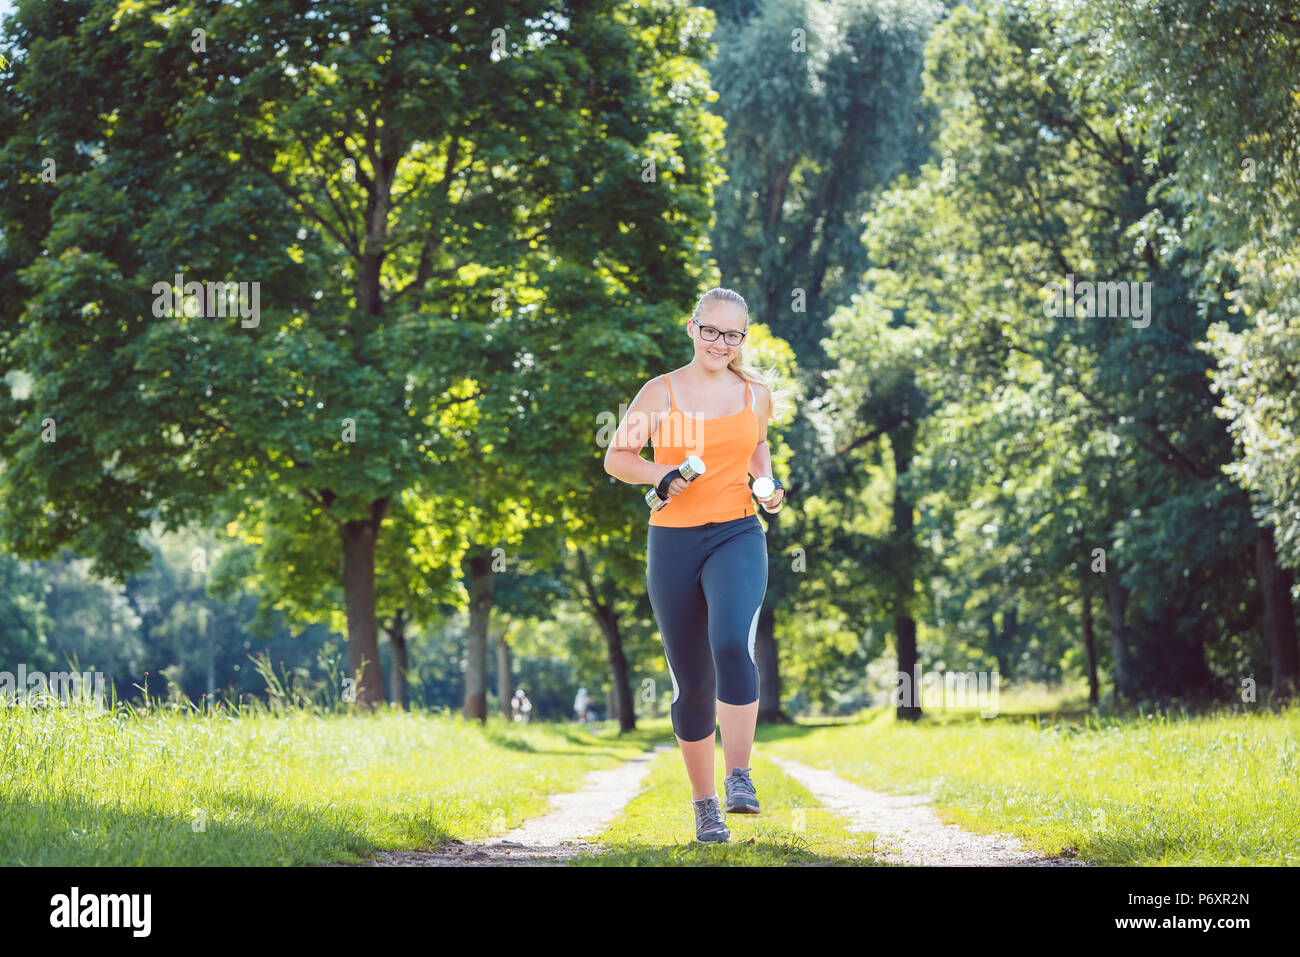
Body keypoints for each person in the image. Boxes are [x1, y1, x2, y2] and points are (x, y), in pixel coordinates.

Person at [603, 287, 787, 844]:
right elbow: (618, 458)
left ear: (742, 339)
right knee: (692, 680)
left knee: (732, 642)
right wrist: (660, 476)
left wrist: (769, 490)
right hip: (674, 542)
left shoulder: (756, 393)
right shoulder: (660, 392)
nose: (720, 342)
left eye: (732, 334)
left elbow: (760, 461)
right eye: (711, 330)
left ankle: (740, 777)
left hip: (737, 532)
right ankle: (705, 805)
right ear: (692, 328)